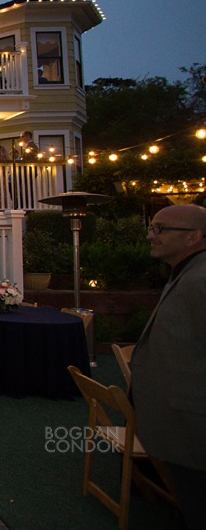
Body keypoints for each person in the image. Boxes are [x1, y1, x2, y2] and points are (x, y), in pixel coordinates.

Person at [131, 204, 206, 529]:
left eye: (161, 229)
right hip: (180, 426)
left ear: (194, 237)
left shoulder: (200, 281)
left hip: (195, 426)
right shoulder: (185, 273)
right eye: (151, 227)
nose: (151, 235)